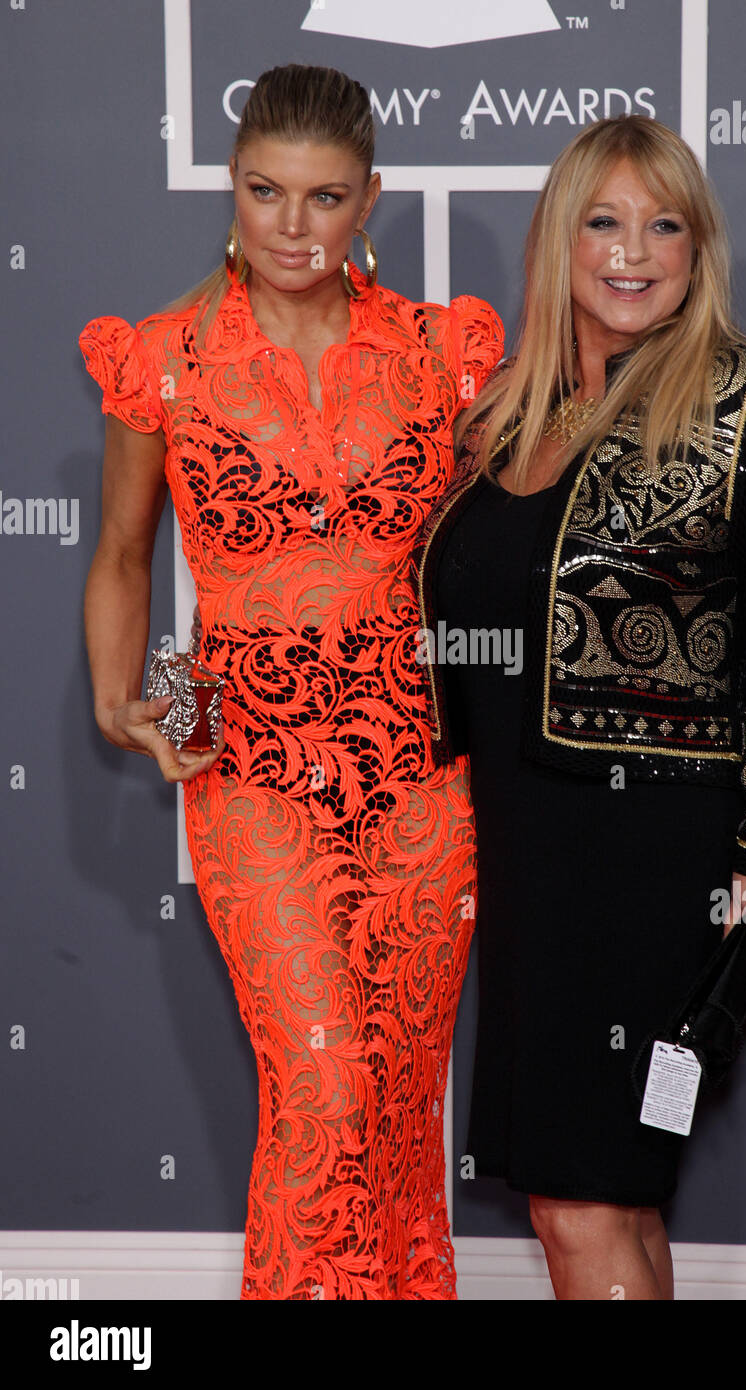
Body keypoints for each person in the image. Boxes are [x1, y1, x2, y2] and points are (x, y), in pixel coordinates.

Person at [79, 64, 503, 1300]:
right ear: (233, 184)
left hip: (421, 774)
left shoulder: (440, 352)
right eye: (267, 192)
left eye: (324, 199)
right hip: (250, 771)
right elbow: (133, 559)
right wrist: (144, 701)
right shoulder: (163, 359)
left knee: (396, 1100)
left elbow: (492, 560)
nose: (293, 227)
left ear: (369, 198)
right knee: (320, 1085)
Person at [412, 114, 746, 1300]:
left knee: (581, 1196)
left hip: (647, 856)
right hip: (528, 847)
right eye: (602, 220)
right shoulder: (507, 411)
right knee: (606, 1198)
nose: (631, 251)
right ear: (559, 240)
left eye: (663, 224)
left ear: (698, 248)